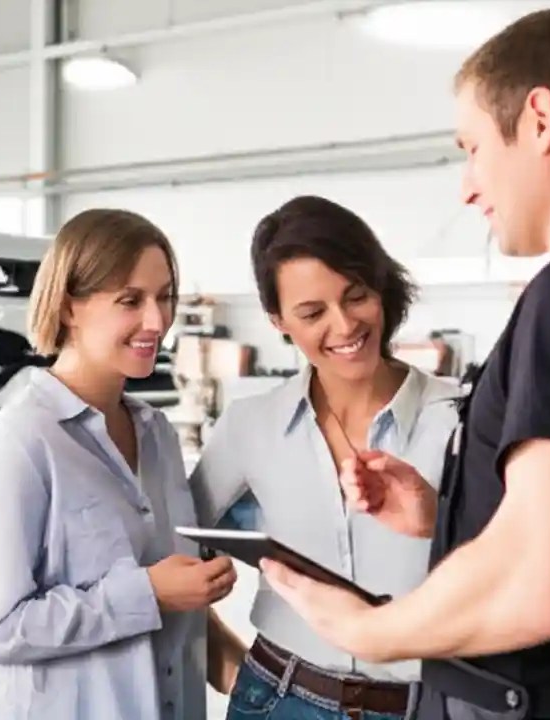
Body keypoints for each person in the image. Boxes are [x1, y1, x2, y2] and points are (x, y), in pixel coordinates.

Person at [258, 7, 550, 719]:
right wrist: (448, 514)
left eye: (474, 147)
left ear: (541, 119)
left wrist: (370, 630)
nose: (467, 186)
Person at [0, 208, 246, 719]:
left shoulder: (157, 437)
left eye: (165, 297)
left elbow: (176, 611)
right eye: (130, 301)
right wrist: (148, 592)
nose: (156, 322)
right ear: (69, 308)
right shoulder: (18, 445)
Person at [190, 195, 460, 720]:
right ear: (277, 321)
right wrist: (231, 669)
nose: (344, 326)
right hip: (278, 695)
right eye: (312, 313)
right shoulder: (251, 425)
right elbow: (173, 551)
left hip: (423, 704)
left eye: (356, 296)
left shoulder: (460, 419)